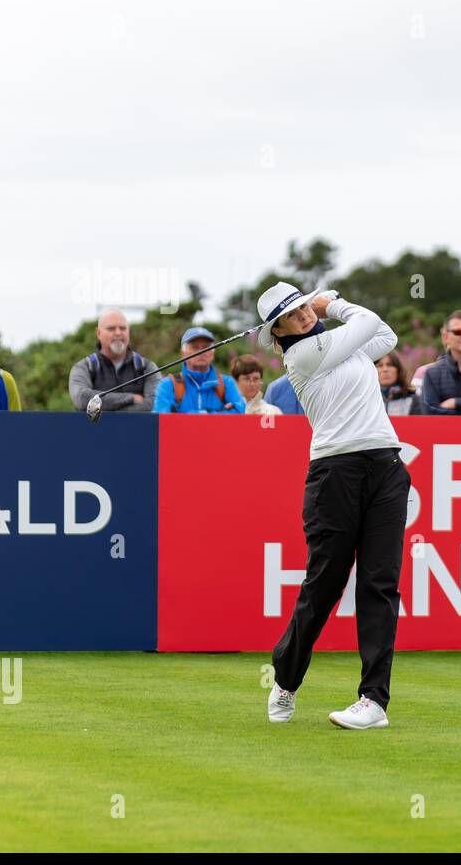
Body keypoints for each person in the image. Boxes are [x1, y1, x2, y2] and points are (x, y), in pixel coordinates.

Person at [256, 282, 410, 731]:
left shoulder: (345, 346)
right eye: (292, 315)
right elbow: (365, 324)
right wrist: (334, 303)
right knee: (324, 584)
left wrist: (327, 307)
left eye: (304, 307)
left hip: (385, 465)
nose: (304, 316)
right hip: (334, 473)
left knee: (380, 583)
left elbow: (387, 336)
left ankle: (373, 700)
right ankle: (285, 679)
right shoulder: (301, 357)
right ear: (279, 331)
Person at [69, 309, 160, 414]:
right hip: (95, 430)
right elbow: (82, 399)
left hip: (138, 430)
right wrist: (130, 398)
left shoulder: (147, 367)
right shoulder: (83, 367)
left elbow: (154, 404)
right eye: (111, 329)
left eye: (123, 328)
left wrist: (107, 412)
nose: (118, 333)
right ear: (98, 333)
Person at [152, 326, 245, 414]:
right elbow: (161, 421)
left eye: (206, 347)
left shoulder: (227, 383)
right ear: (183, 353)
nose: (201, 352)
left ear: (213, 352)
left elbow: (240, 413)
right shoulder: (167, 385)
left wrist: (183, 415)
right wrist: (215, 413)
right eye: (194, 347)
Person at [376, 351, 421, 416]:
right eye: (379, 366)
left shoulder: (413, 399)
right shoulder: (365, 400)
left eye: (389, 365)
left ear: (398, 370)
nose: (385, 369)